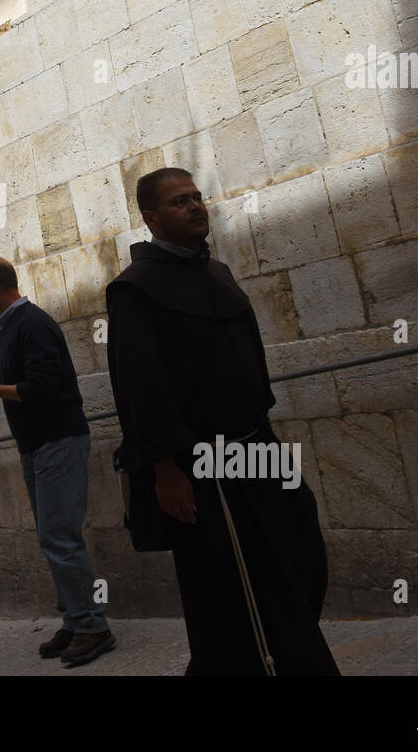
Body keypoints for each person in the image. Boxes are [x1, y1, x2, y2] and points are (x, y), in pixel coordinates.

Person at [106, 167, 339, 675]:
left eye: (196, 197)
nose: (194, 206)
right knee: (240, 582)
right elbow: (139, 387)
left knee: (302, 551)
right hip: (205, 462)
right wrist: (165, 470)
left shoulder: (218, 273)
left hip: (258, 444)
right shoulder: (134, 289)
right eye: (178, 201)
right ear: (150, 217)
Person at [0, 255, 116, 667]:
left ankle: (93, 626)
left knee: (61, 538)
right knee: (53, 538)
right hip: (38, 445)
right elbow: (29, 382)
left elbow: (45, 387)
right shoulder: (15, 325)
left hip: (57, 441)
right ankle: (75, 617)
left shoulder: (30, 323)